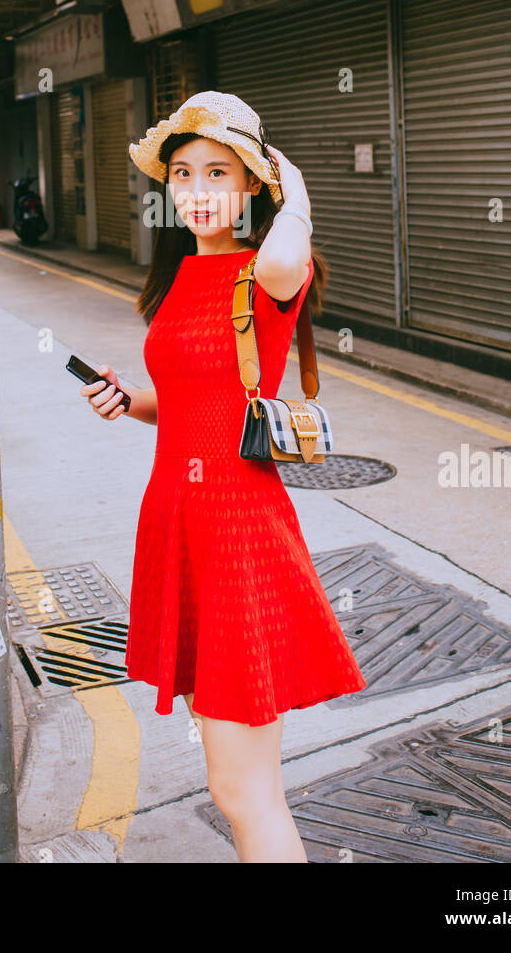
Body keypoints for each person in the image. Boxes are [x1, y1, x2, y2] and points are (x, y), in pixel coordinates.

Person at [80, 91, 367, 863]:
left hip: (238, 535)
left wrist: (290, 182)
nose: (198, 190)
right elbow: (189, 404)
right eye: (183, 174)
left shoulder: (266, 273)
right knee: (233, 783)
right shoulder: (177, 280)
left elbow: (282, 255)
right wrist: (128, 400)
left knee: (244, 792)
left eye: (219, 172)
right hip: (181, 521)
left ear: (250, 188)